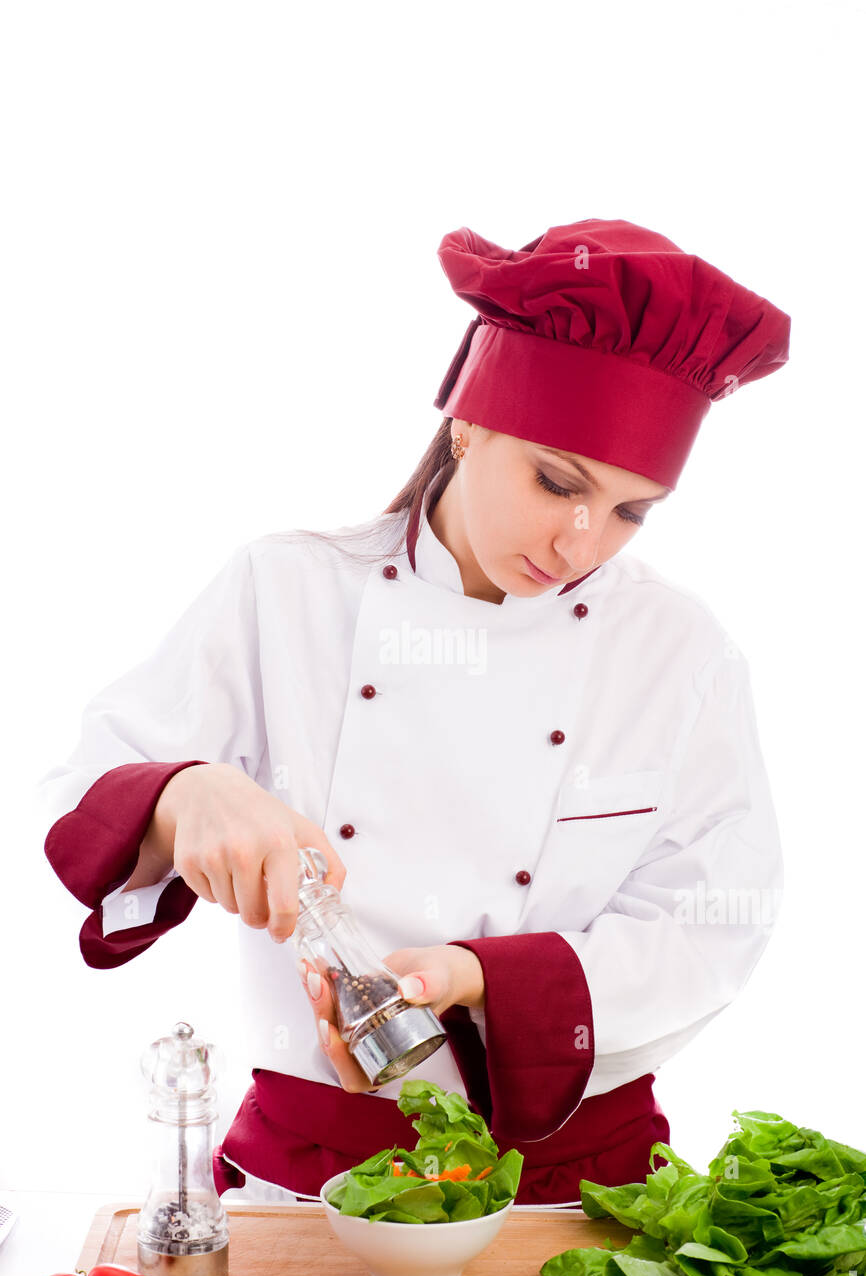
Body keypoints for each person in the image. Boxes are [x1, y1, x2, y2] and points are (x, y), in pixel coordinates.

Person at [38, 217, 791, 1206]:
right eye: (556, 480)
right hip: (314, 1180)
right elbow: (79, 791)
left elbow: (711, 925)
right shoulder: (287, 590)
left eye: (626, 509)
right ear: (466, 421)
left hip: (575, 1191)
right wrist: (186, 797)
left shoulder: (676, 650)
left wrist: (480, 977)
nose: (577, 541)